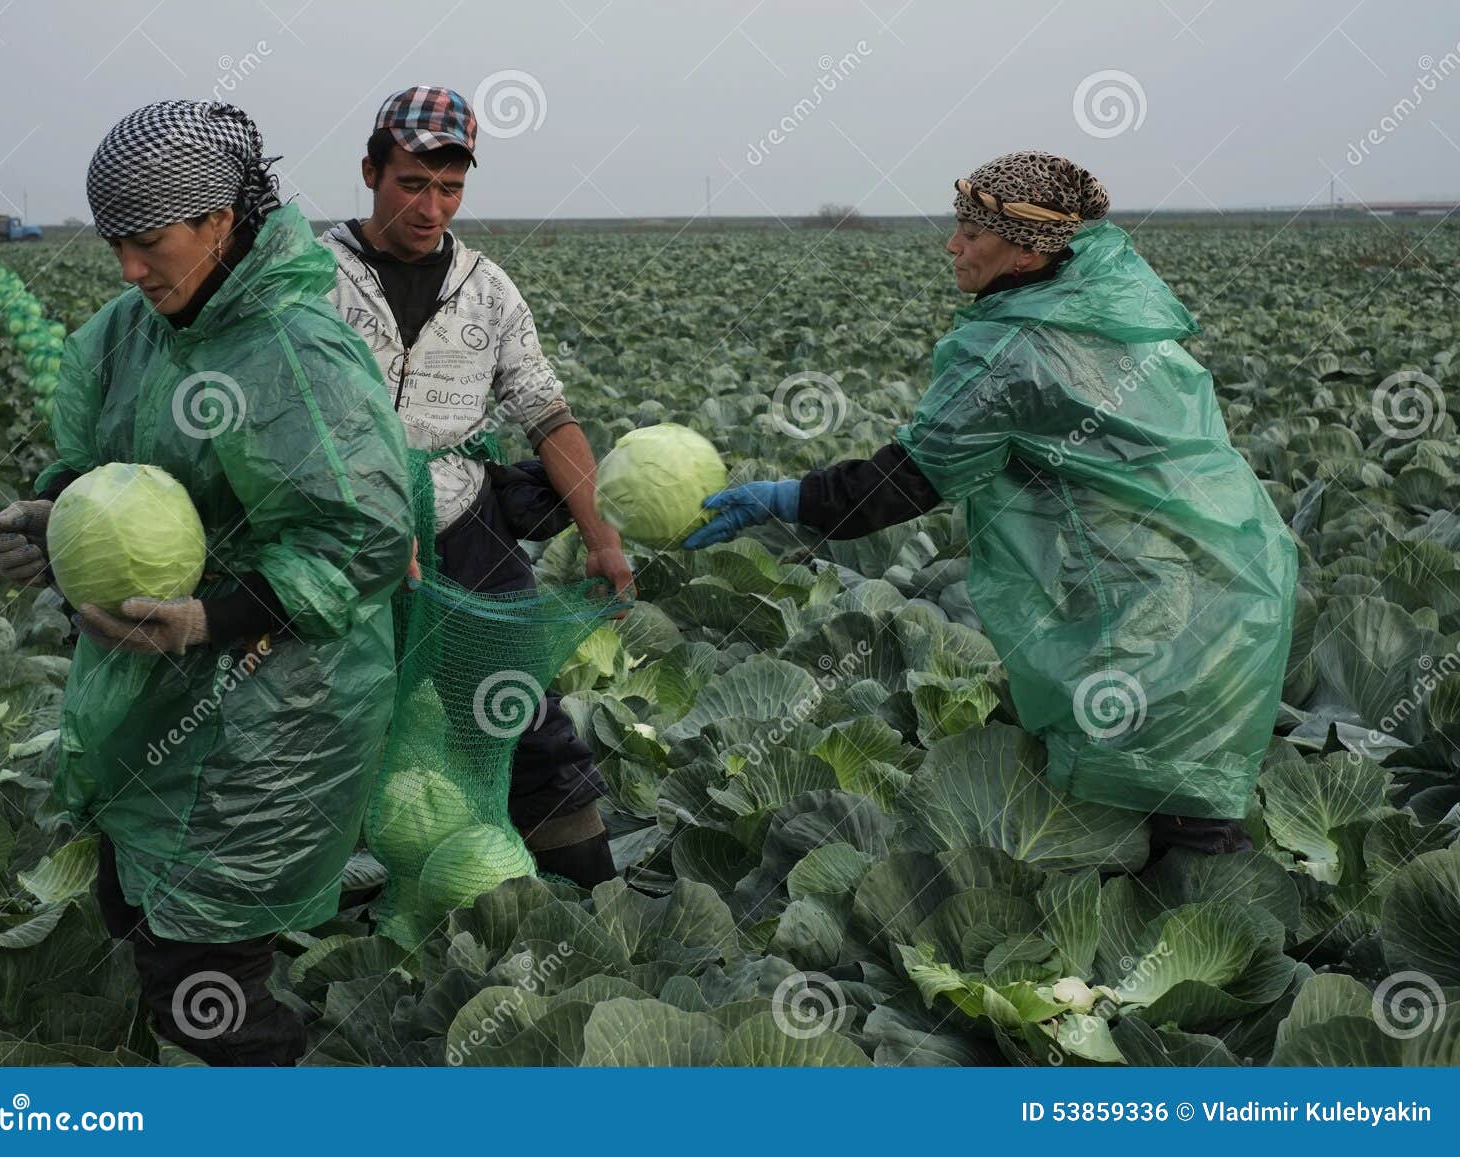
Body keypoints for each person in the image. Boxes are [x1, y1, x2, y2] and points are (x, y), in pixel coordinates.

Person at [685, 151, 1297, 860]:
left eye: (972, 234)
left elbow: (907, 480)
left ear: (1027, 250)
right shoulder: (1101, 301)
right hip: (1236, 572)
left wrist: (786, 498)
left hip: (1159, 608)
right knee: (1166, 803)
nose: (953, 246)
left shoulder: (1014, 351)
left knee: (1181, 824)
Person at [0, 100, 415, 1064]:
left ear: (219, 221)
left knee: (202, 982)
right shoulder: (129, 333)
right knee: (133, 906)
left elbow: (364, 535)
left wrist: (210, 615)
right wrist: (52, 518)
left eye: (146, 242)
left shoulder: (292, 350)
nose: (129, 271)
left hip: (269, 715)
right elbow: (90, 462)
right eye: (114, 245)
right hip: (145, 701)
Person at [319, 86, 632, 888]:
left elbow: (547, 415)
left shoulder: (487, 288)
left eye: (450, 187)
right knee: (320, 716)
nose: (432, 208)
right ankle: (298, 911)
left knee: (518, 711)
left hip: (461, 519)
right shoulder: (313, 278)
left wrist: (601, 536)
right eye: (412, 184)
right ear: (369, 172)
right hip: (337, 531)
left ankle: (593, 898)